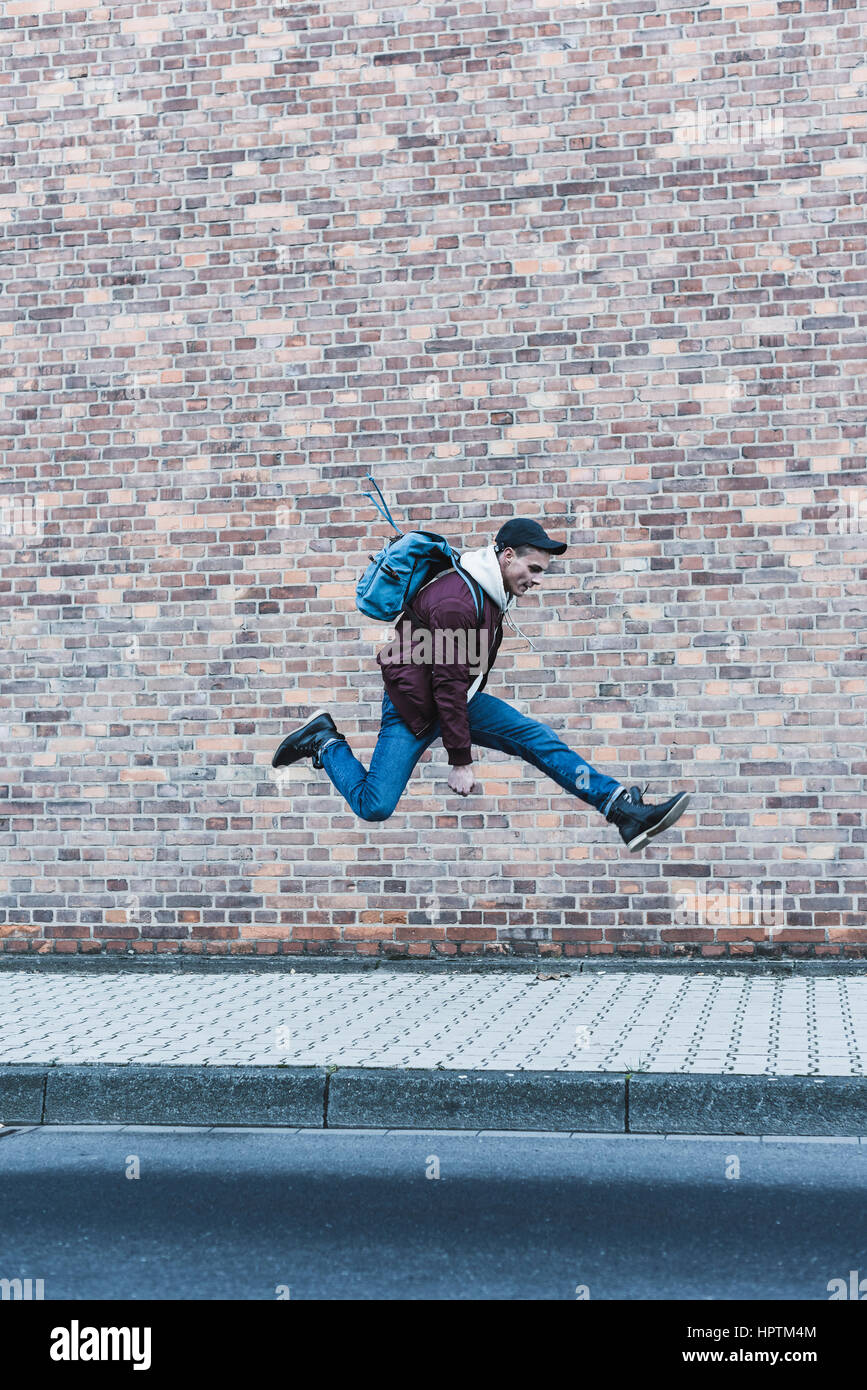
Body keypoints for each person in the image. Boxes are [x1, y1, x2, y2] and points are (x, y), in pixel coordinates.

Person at [271, 518, 690, 852]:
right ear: (507, 557)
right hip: (415, 708)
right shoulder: (458, 598)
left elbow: (454, 685)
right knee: (375, 805)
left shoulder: (487, 591)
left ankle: (622, 810)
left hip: (453, 700)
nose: (538, 578)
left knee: (537, 739)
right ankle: (324, 740)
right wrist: (460, 760)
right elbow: (447, 682)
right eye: (533, 568)